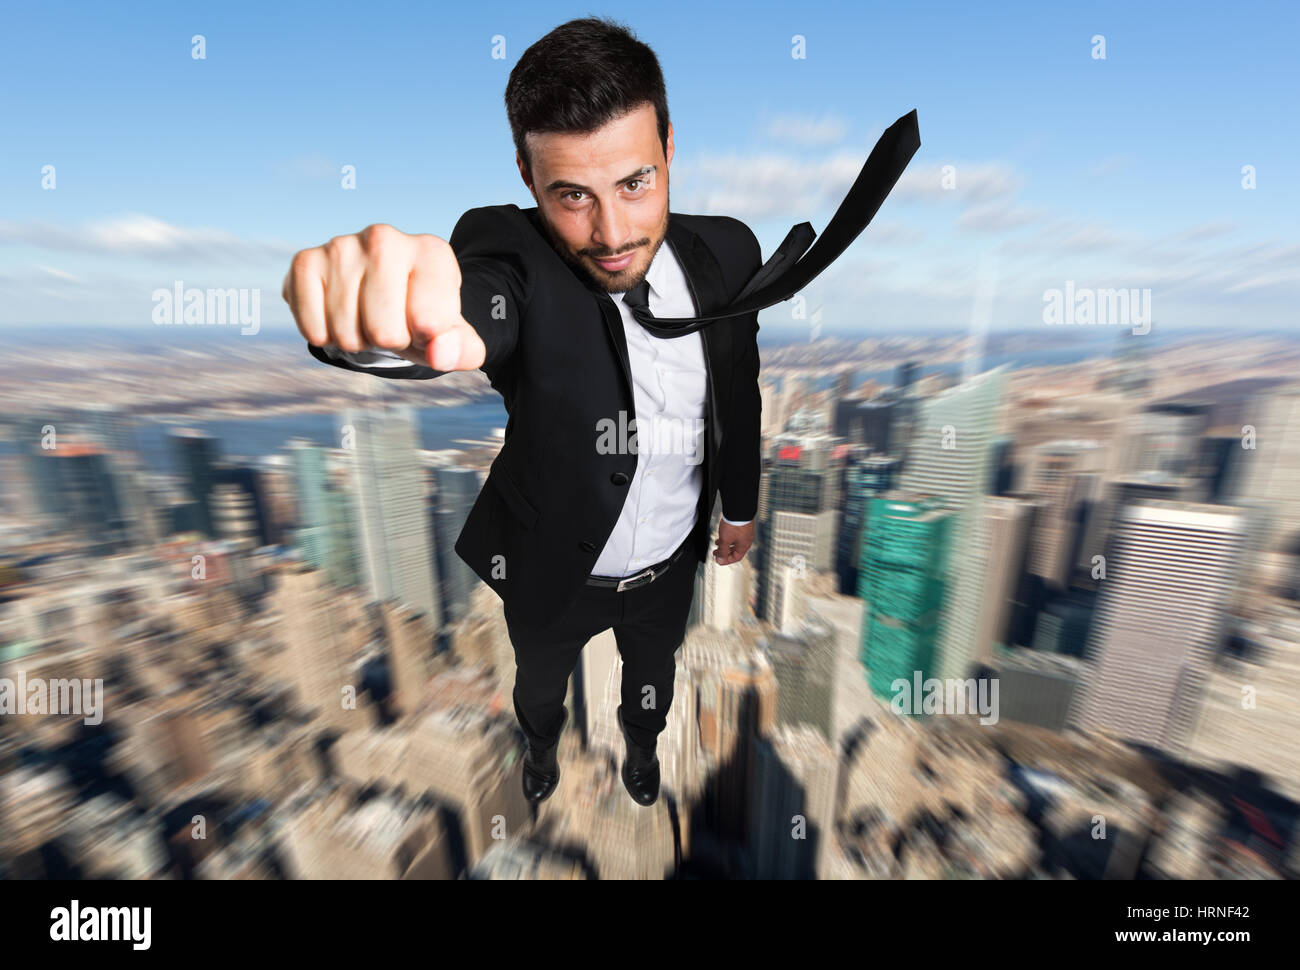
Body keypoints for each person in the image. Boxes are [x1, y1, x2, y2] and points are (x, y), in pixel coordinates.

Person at [282, 17, 761, 807]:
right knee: (539, 687)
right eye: (571, 195)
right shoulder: (512, 248)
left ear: (671, 149)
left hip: (671, 564)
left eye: (635, 183)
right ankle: (540, 749)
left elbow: (737, 385)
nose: (610, 233)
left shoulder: (731, 252)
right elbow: (481, 302)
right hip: (553, 568)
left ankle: (642, 752)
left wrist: (738, 506)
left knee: (653, 679)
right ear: (528, 178)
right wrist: (395, 326)